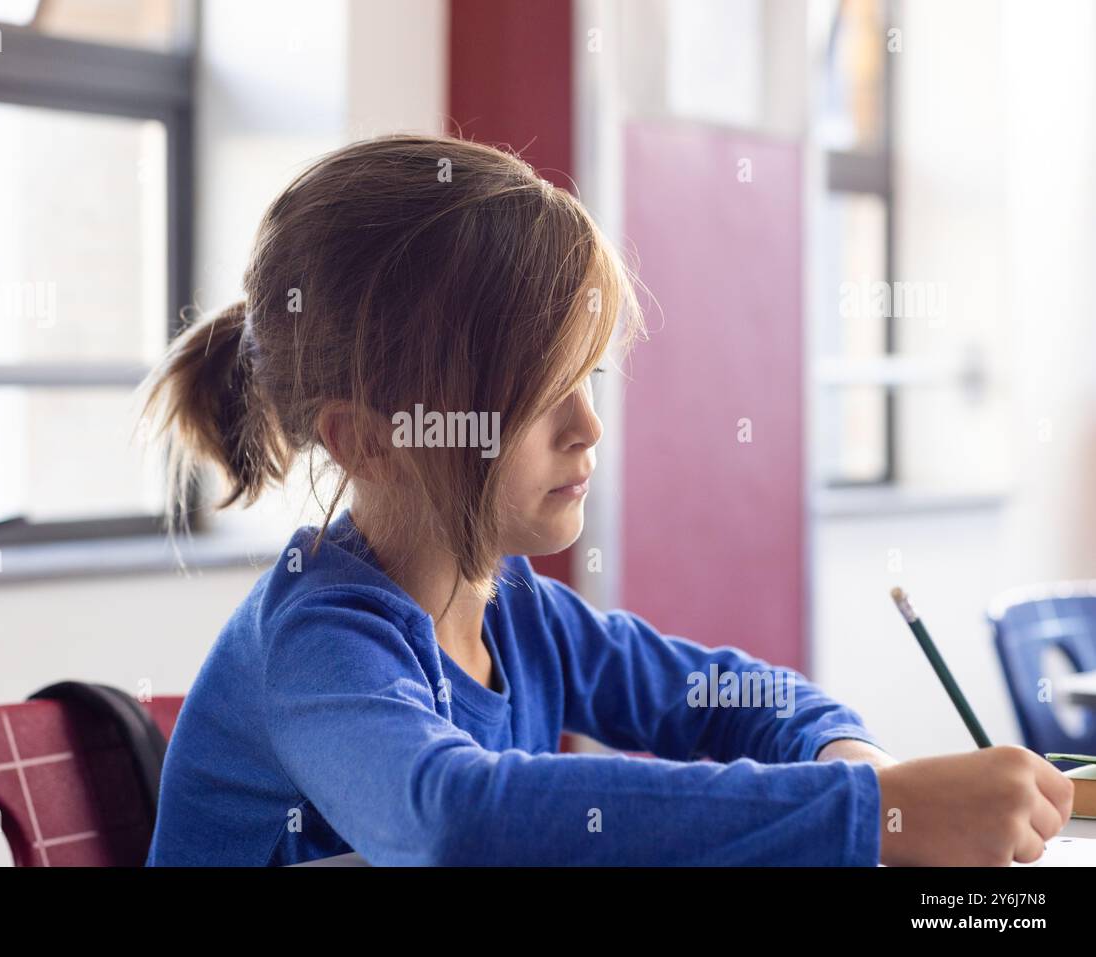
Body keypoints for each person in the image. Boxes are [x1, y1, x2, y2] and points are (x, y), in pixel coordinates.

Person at [137, 133, 1073, 866]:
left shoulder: (521, 610)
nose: (588, 426)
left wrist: (851, 761)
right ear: (368, 439)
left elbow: (742, 696)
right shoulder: (319, 645)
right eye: (539, 393)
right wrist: (872, 815)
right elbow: (455, 822)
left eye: (587, 378)